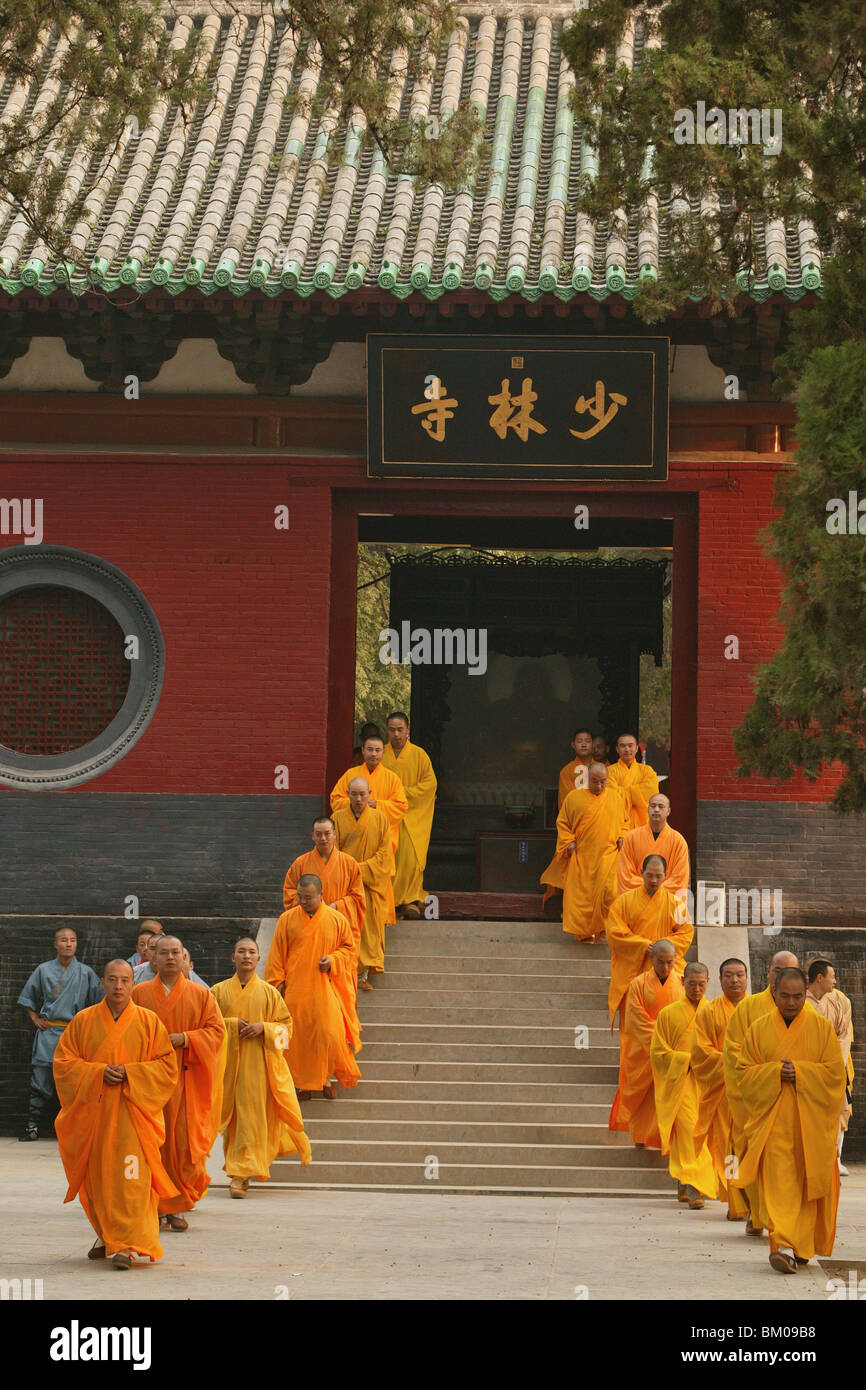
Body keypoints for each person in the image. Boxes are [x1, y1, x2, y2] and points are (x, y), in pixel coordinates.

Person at [53, 958, 178, 1269]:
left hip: (134, 1118)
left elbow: (166, 1067)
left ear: (132, 984)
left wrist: (129, 1074)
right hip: (95, 1118)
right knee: (99, 1181)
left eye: (125, 980)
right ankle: (107, 1234)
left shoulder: (149, 1022)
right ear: (103, 982)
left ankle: (128, 1245)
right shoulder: (83, 1021)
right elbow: (63, 1064)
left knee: (131, 1180)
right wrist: (97, 1073)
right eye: (112, 979)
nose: (119, 986)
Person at [731, 967, 846, 1274]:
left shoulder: (821, 1029)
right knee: (781, 1186)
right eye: (785, 996)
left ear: (805, 991)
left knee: (807, 1186)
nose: (792, 1002)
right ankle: (782, 1244)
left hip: (811, 1127)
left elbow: (836, 1075)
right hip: (774, 1125)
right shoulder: (758, 1028)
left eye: (797, 996)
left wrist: (802, 1073)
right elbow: (742, 1073)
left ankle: (800, 1245)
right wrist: (774, 1073)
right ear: (774, 991)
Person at [132, 937, 226, 1232]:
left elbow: (216, 1032)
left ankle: (178, 1204)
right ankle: (156, 1207)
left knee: (184, 1146)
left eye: (175, 952)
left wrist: (185, 1039)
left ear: (184, 958)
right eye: (163, 953)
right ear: (152, 959)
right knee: (152, 1145)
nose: (170, 958)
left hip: (186, 1082)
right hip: (149, 1083)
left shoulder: (200, 995)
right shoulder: (139, 993)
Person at [211, 938, 312, 1198]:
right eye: (241, 951)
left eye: (252, 952)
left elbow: (286, 1031)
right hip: (227, 1067)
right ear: (232, 958)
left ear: (258, 959)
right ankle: (240, 1171)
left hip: (258, 1068)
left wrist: (263, 1028)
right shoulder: (217, 992)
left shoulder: (269, 993)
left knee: (250, 1120)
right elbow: (207, 1027)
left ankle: (241, 1174)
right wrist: (232, 1025)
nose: (246, 956)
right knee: (235, 1122)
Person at [722, 949, 801, 1236]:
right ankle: (758, 1212)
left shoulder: (807, 1013)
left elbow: (821, 1058)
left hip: (792, 1099)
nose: (782, 976)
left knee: (783, 1159)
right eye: (777, 970)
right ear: (768, 971)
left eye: (788, 970)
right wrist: (768, 1075)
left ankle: (778, 1218)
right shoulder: (748, 1007)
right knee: (753, 1154)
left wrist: (799, 1074)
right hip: (753, 1099)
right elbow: (733, 1050)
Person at [265, 875, 361, 1099]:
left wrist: (333, 960)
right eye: (299, 896)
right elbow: (276, 954)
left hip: (325, 988)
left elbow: (349, 949)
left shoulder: (337, 919)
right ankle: (299, 1083)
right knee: (295, 1039)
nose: (303, 901)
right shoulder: (287, 919)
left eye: (308, 897)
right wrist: (277, 983)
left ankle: (325, 1078)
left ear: (321, 896)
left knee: (328, 1034)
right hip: (295, 989)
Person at [17, 927, 103, 1141]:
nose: (68, 944)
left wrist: (88, 1027)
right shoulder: (44, 970)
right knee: (41, 1076)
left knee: (76, 1080)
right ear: (55, 944)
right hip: (49, 1031)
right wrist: (35, 1018)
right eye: (63, 940)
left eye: (73, 940)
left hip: (74, 1033)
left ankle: (75, 1128)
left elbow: (99, 1003)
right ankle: (32, 1125)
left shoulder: (85, 972)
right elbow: (28, 996)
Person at [650, 962, 717, 1210]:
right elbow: (657, 1052)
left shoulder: (714, 1012)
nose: (697, 989)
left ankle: (681, 1180)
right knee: (690, 1132)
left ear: (708, 982)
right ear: (682, 982)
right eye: (692, 984)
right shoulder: (668, 1014)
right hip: (682, 1081)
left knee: (698, 1135)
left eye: (701, 984)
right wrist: (685, 1061)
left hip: (709, 1082)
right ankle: (694, 1186)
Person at [540, 761, 627, 942]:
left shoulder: (615, 797)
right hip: (582, 857)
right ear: (587, 779)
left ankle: (603, 928)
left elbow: (625, 822)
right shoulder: (574, 798)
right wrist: (568, 842)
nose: (599, 786)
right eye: (595, 781)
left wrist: (622, 836)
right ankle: (585, 933)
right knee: (582, 899)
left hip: (608, 855)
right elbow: (563, 823)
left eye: (603, 781)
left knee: (610, 893)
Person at [609, 940, 684, 1148]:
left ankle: (667, 1140)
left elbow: (689, 1016)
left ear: (676, 960)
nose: (666, 967)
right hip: (646, 1051)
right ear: (652, 959)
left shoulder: (683, 982)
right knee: (644, 1099)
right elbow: (636, 1020)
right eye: (661, 962)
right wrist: (662, 1041)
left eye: (670, 962)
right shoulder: (638, 984)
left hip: (673, 1050)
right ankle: (641, 1137)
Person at [605, 854, 693, 1033]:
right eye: (649, 875)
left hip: (665, 972)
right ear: (641, 873)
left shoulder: (675, 904)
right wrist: (643, 946)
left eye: (658, 876)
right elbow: (614, 933)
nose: (654, 880)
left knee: (668, 1024)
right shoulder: (624, 902)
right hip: (633, 972)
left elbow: (686, 933)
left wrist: (663, 948)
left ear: (665, 875)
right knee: (634, 1029)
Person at [690, 957, 750, 1219]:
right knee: (718, 1143)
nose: (734, 980)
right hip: (720, 1092)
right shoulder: (709, 1011)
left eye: (739, 975)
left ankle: (741, 1195)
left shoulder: (758, 1009)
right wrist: (733, 1062)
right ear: (720, 979)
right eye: (728, 975)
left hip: (750, 1092)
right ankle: (713, 1186)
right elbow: (700, 1052)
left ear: (747, 978)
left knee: (744, 1146)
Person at [334, 777, 394, 991]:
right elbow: (332, 853)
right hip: (345, 887)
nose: (359, 799)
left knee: (368, 930)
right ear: (348, 794)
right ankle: (344, 972)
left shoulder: (380, 819)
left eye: (363, 794)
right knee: (345, 929)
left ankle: (363, 974)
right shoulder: (337, 818)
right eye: (354, 794)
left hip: (369, 886)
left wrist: (357, 869)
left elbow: (384, 855)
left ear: (370, 794)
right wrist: (348, 871)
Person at [283, 817, 366, 967]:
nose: (323, 838)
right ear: (313, 836)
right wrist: (311, 908)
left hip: (337, 929)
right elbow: (289, 892)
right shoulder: (300, 863)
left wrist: (335, 907)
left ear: (334, 834)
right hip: (308, 928)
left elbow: (358, 898)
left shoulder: (349, 864)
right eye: (318, 834)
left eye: (327, 833)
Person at [382, 711, 437, 920]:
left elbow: (430, 785)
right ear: (387, 730)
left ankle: (411, 900)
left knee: (412, 858)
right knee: (389, 857)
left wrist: (403, 793)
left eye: (400, 730)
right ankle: (390, 902)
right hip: (387, 816)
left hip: (413, 815)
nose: (396, 734)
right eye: (392, 730)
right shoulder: (381, 754)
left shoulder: (419, 755)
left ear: (408, 730)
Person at [806, 960, 853, 1174]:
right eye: (832, 976)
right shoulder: (800, 1002)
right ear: (819, 978)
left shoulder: (836, 1001)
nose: (835, 980)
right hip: (809, 1069)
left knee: (839, 1113)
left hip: (834, 1068)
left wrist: (837, 1064)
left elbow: (844, 1034)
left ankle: (834, 1157)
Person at [616, 794, 689, 900]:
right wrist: (649, 888)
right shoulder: (631, 838)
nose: (656, 810)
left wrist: (652, 889)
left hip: (664, 905)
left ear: (668, 811)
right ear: (648, 809)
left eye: (661, 806)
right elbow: (625, 877)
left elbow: (679, 880)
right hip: (637, 902)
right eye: (653, 806)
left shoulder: (678, 842)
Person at [607, 732, 659, 830]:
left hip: (643, 824)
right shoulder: (609, 772)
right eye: (623, 746)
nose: (627, 749)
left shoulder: (647, 771)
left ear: (636, 748)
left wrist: (622, 791)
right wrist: (636, 792)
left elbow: (651, 793)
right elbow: (610, 797)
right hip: (618, 825)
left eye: (630, 746)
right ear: (617, 749)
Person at [135, 931, 207, 986]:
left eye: (174, 952)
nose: (170, 957)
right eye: (153, 948)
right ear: (147, 952)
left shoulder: (186, 973)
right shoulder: (135, 974)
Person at [555, 728, 594, 808]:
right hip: (576, 817)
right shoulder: (566, 771)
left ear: (593, 744)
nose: (583, 744)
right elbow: (565, 801)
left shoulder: (603, 769)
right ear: (573, 745)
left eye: (587, 741)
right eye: (579, 741)